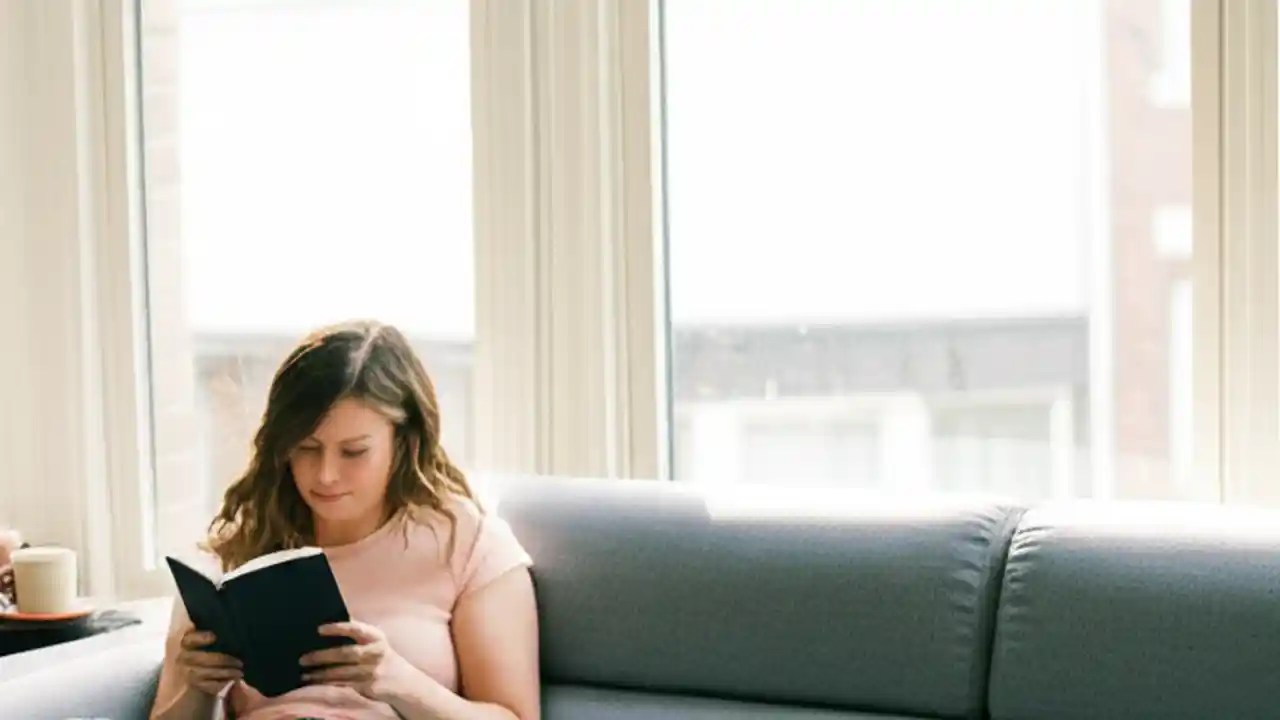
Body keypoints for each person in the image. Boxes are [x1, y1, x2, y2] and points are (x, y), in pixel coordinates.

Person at [150, 320, 540, 720]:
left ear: (403, 442)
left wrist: (402, 683)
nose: (326, 475)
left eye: (353, 452)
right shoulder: (238, 551)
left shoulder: (468, 543)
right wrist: (198, 688)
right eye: (307, 448)